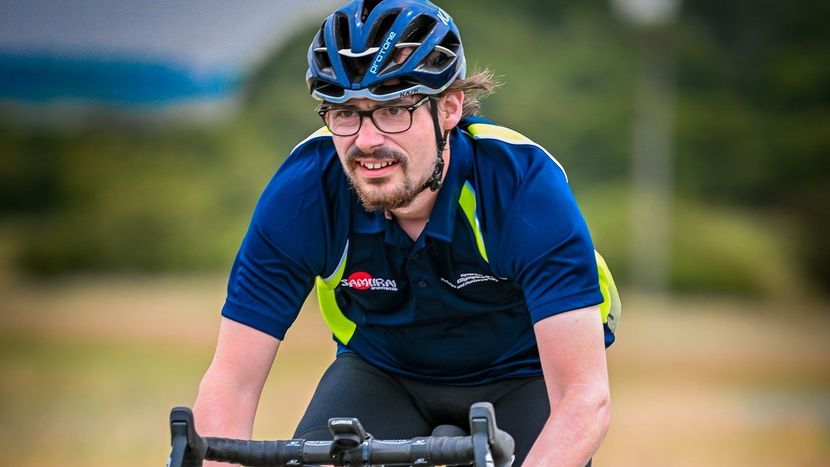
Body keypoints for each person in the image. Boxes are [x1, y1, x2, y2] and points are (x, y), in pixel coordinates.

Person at [192, 1, 621, 465]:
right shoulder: (305, 191)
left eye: (394, 109)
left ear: (450, 108)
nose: (366, 141)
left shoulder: (521, 186)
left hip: (523, 373)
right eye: (345, 112)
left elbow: (584, 397)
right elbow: (232, 382)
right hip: (383, 371)